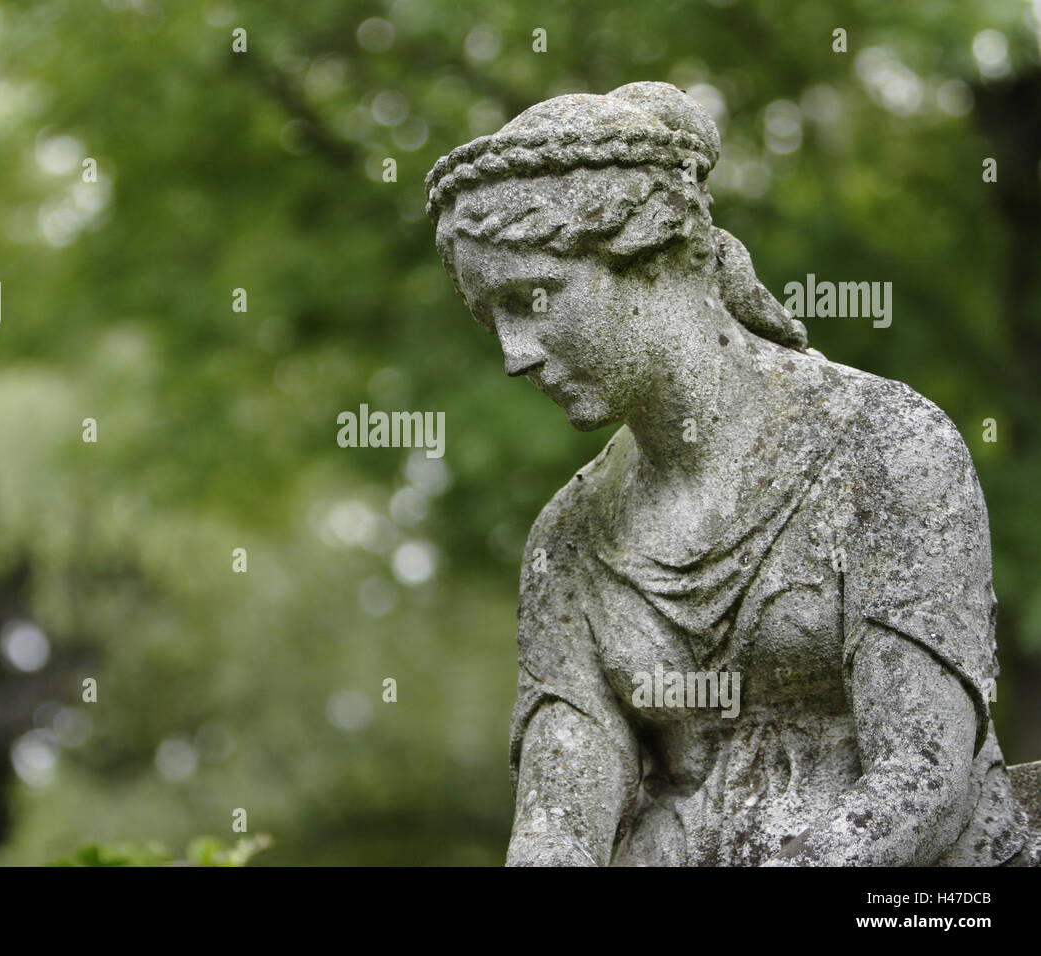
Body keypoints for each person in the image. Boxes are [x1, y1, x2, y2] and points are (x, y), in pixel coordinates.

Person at [425, 82, 1036, 866]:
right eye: (491, 320)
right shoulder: (568, 539)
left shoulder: (885, 447)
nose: (514, 354)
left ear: (651, 253)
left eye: (532, 299)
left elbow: (923, 777)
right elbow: (556, 828)